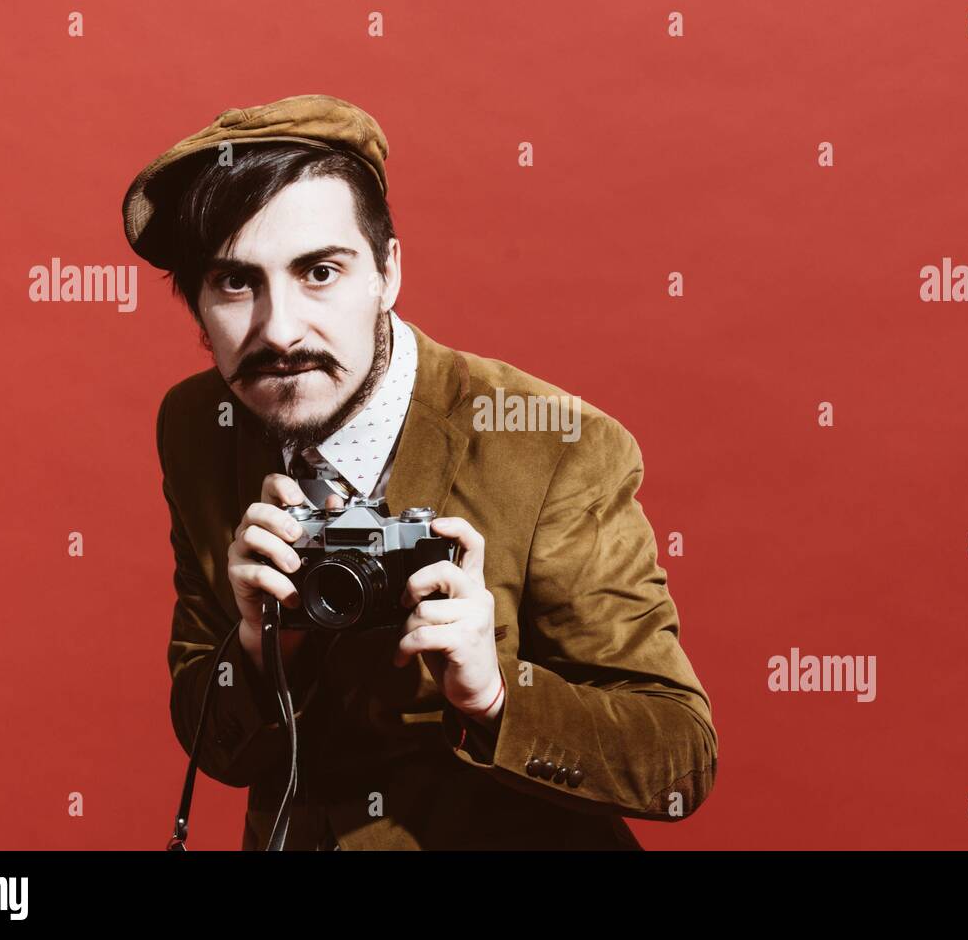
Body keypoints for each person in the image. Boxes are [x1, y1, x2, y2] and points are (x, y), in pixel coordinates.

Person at [124, 94, 718, 849]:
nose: (279, 330)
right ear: (199, 306)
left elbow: (680, 757)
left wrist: (498, 695)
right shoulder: (198, 427)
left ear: (388, 272)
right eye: (235, 283)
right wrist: (255, 646)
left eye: (320, 271)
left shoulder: (553, 445)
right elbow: (216, 745)